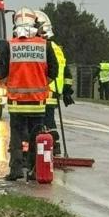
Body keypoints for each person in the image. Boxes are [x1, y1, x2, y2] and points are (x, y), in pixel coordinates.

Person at [0, 8, 57, 181]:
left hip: (17, 102)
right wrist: (41, 83)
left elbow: (0, 73)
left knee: (16, 136)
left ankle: (16, 170)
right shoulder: (45, 45)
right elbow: (54, 70)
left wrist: (11, 82)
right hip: (38, 102)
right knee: (35, 136)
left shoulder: (10, 45)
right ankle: (34, 170)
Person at [34, 11, 74, 154]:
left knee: (38, 121)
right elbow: (66, 71)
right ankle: (54, 146)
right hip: (54, 91)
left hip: (42, 90)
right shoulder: (57, 48)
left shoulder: (41, 48)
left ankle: (41, 149)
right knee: (49, 120)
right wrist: (67, 90)